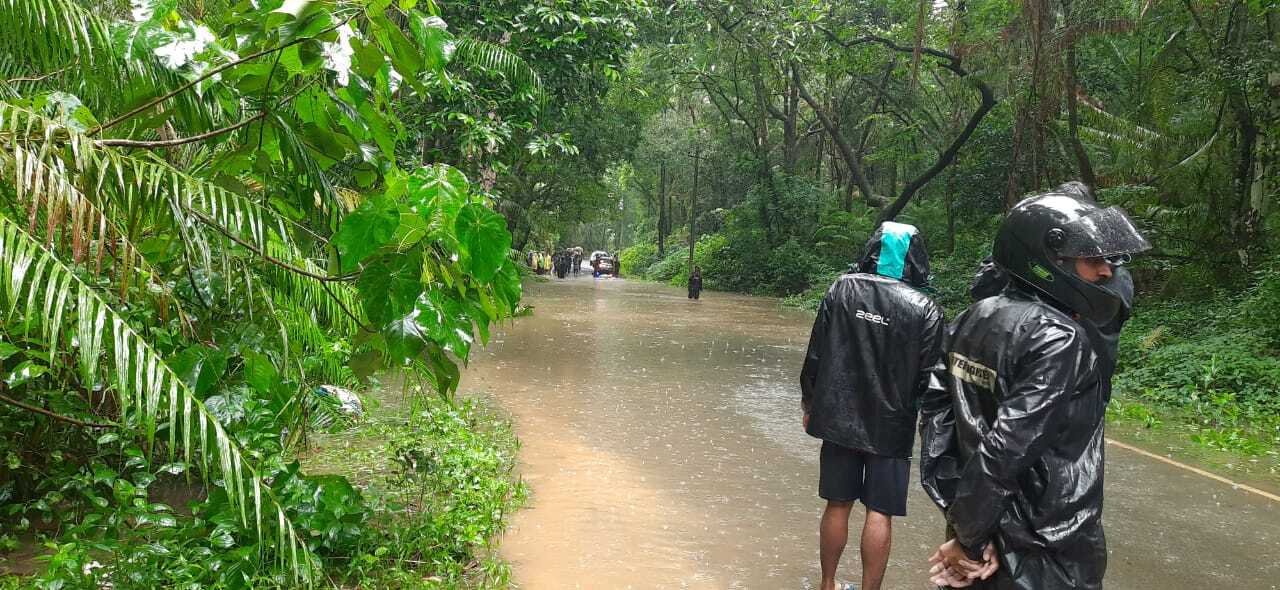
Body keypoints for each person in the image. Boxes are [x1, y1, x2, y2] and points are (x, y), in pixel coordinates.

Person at [919, 189, 1151, 589]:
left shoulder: (974, 316)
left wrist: (965, 529)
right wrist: (972, 538)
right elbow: (1007, 448)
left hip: (986, 535)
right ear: (1050, 262)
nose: (1106, 272)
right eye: (1091, 259)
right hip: (1044, 549)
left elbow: (938, 423)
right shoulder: (1060, 338)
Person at [800, 222, 944, 590]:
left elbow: (816, 352)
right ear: (915, 258)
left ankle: (828, 584)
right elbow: (931, 379)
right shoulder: (925, 308)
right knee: (880, 511)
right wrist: (929, 430)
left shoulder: (842, 289)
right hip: (892, 426)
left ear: (873, 249)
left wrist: (809, 402)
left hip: (837, 416)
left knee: (837, 503)